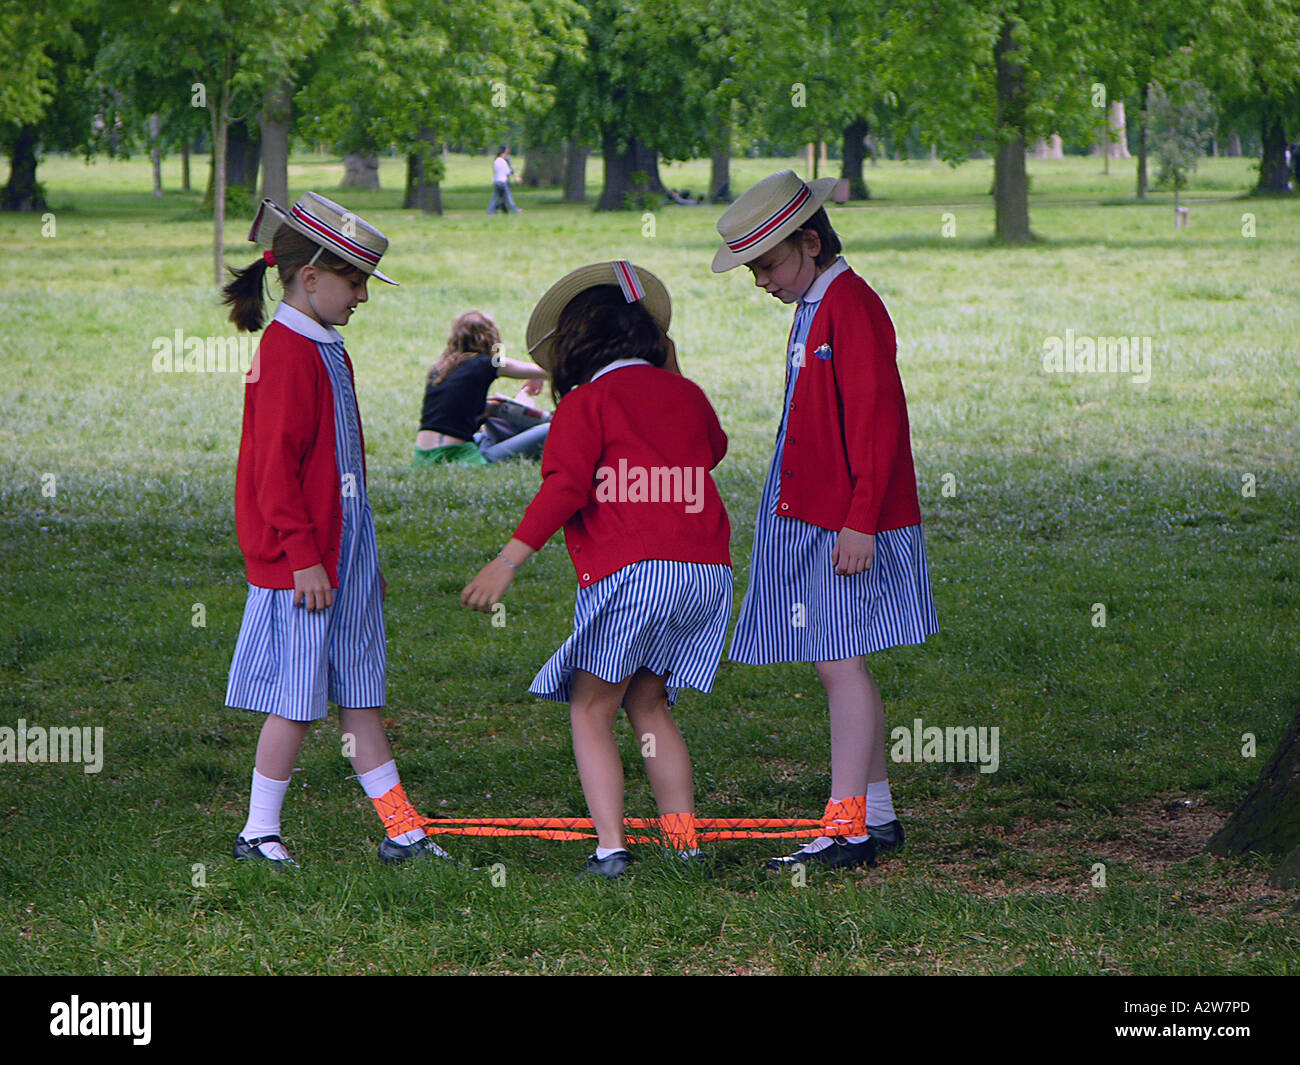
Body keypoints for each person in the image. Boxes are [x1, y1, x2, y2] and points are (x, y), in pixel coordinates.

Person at [461, 262, 731, 880]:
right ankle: (682, 842)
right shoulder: (685, 394)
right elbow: (712, 450)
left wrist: (507, 563)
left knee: (590, 708)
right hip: (704, 576)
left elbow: (565, 490)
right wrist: (672, 376)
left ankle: (611, 849)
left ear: (573, 349)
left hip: (632, 575)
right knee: (650, 703)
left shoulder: (587, 404)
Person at [711, 170, 938, 872]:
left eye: (770, 264)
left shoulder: (851, 305)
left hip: (846, 521)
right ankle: (875, 815)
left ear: (810, 241)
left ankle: (847, 830)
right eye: (754, 271)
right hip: (819, 516)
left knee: (840, 664)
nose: (763, 282)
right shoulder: (818, 302)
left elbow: (877, 421)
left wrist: (861, 519)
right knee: (840, 661)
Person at [219, 191, 451, 868]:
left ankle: (403, 831)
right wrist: (305, 559)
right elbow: (273, 473)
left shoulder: (326, 347)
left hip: (340, 555)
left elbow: (340, 470)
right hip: (303, 564)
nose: (363, 296)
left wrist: (357, 557)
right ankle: (258, 833)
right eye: (354, 281)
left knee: (361, 696)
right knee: (295, 701)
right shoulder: (286, 349)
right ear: (311, 277)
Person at [414, 310, 550, 466]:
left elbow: (447, 415)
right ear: (489, 337)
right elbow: (545, 371)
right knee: (548, 430)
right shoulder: (488, 362)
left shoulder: (439, 369)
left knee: (486, 437)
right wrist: (536, 376)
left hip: (423, 457)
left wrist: (489, 408)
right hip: (459, 457)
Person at [487, 145, 522, 214]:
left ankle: (490, 210)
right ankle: (515, 210)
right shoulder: (503, 162)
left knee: (494, 198)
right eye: (505, 153)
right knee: (509, 198)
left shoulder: (496, 161)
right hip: (503, 182)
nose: (506, 155)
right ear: (502, 153)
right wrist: (515, 175)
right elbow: (508, 172)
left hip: (496, 181)